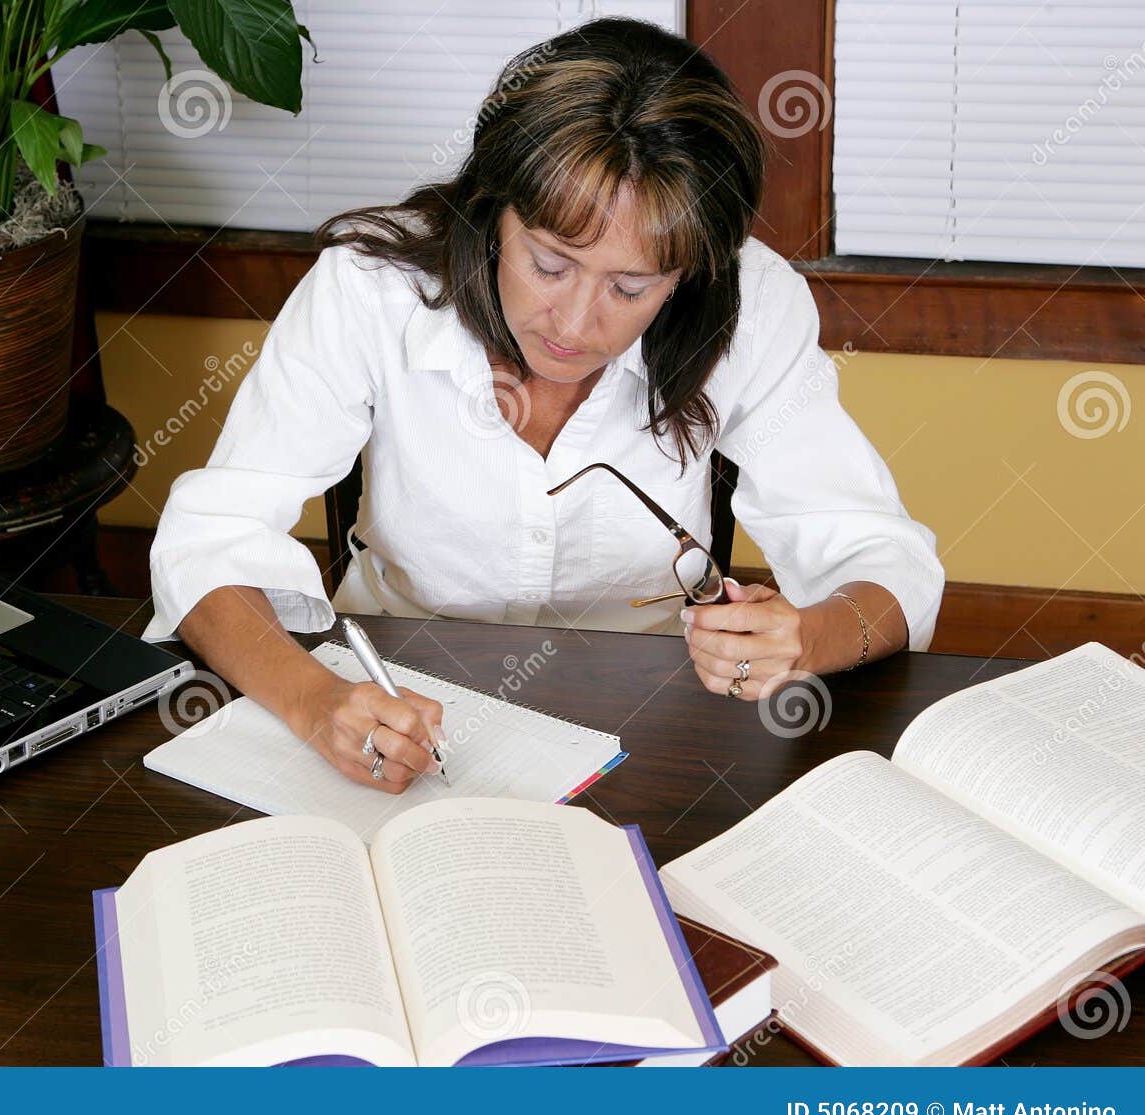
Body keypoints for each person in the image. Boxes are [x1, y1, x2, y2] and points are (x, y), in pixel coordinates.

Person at [143, 18, 944, 795]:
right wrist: (315, 703)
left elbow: (886, 561)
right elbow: (213, 537)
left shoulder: (753, 304)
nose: (574, 325)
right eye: (550, 264)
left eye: (630, 288)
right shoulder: (371, 290)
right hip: (390, 689)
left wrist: (804, 637)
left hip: (649, 720)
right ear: (495, 209)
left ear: (689, 273)